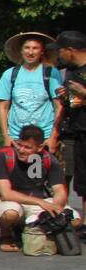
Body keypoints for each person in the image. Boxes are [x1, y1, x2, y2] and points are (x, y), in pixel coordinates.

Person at [0, 125, 78, 254]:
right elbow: (6, 194)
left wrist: (56, 208)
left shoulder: (49, 159)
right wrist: (41, 202)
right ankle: (6, 235)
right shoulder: (4, 157)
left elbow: (59, 190)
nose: (21, 150)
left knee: (73, 220)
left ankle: (35, 231)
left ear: (40, 147)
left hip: (37, 203)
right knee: (10, 214)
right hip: (10, 202)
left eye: (28, 147)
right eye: (20, 145)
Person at [0, 32, 62, 151]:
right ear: (21, 50)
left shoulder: (51, 73)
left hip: (43, 138)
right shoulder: (10, 74)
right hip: (17, 138)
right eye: (27, 48)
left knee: (42, 169)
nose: (30, 52)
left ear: (42, 51)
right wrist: (6, 136)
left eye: (35, 48)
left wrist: (53, 136)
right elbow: (3, 107)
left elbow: (59, 106)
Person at [54, 30, 86, 204]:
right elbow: (75, 102)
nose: (59, 54)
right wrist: (66, 96)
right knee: (83, 183)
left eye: (60, 50)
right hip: (78, 132)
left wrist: (84, 94)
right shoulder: (71, 72)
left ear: (70, 50)